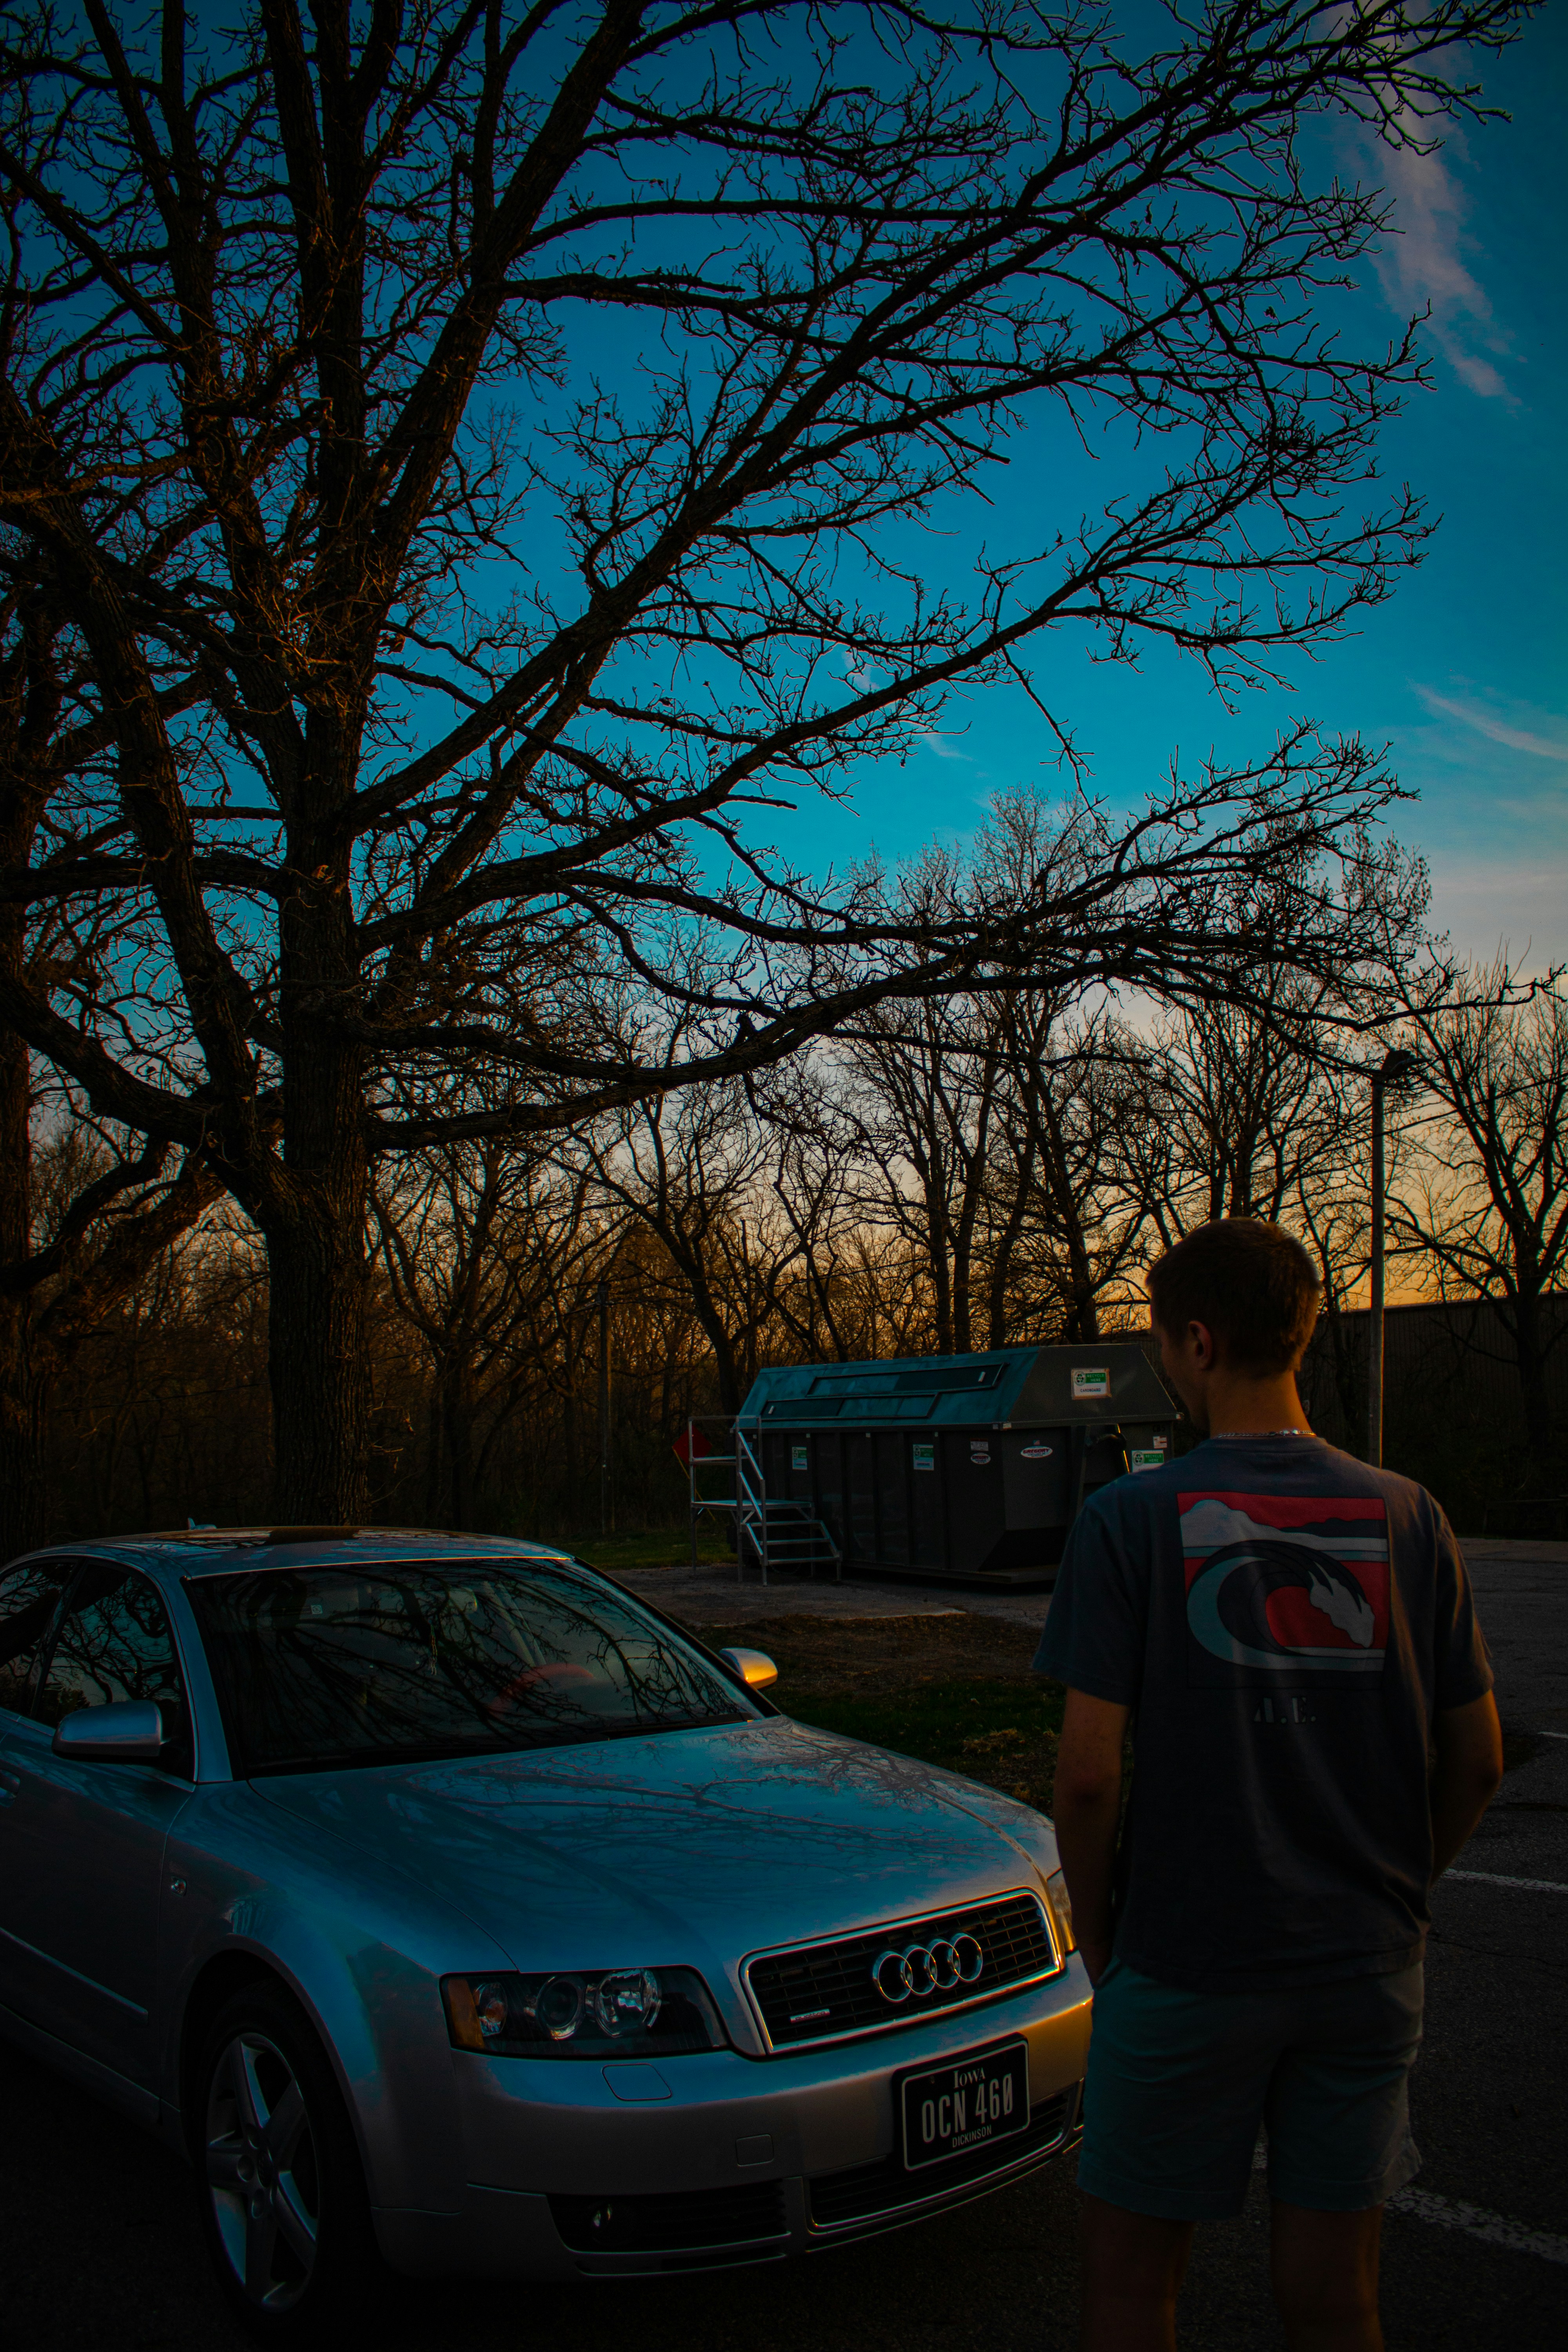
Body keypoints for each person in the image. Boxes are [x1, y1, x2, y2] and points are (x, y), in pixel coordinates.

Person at [1036, 1218, 1503, 2352]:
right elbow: (1479, 1757)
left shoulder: (1127, 1520)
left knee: (1131, 2284)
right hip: (1364, 1961)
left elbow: (1089, 1778)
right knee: (1339, 2290)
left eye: (1159, 1345)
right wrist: (1397, 1893)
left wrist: (1106, 1950)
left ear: (1197, 1340)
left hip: (1192, 1958)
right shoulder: (1410, 1514)